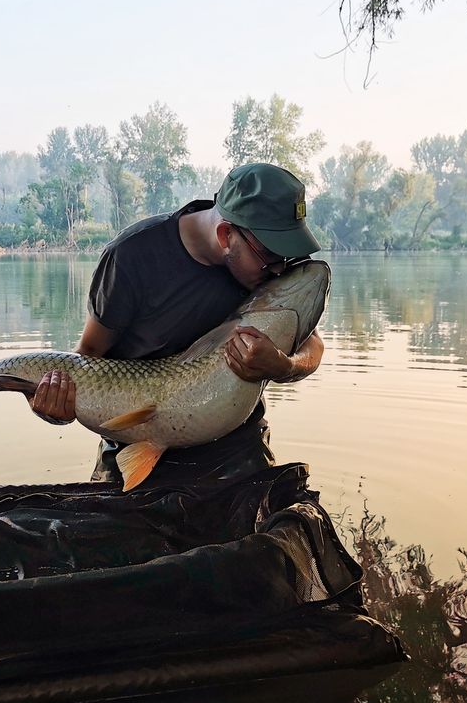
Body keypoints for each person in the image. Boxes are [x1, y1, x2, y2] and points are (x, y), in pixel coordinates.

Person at [26, 162, 326, 487]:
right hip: (133, 435)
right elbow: (89, 353)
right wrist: (54, 403)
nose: (281, 270)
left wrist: (282, 366)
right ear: (226, 235)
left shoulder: (270, 268)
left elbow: (312, 344)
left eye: (288, 257)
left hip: (236, 453)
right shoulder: (132, 256)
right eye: (271, 255)